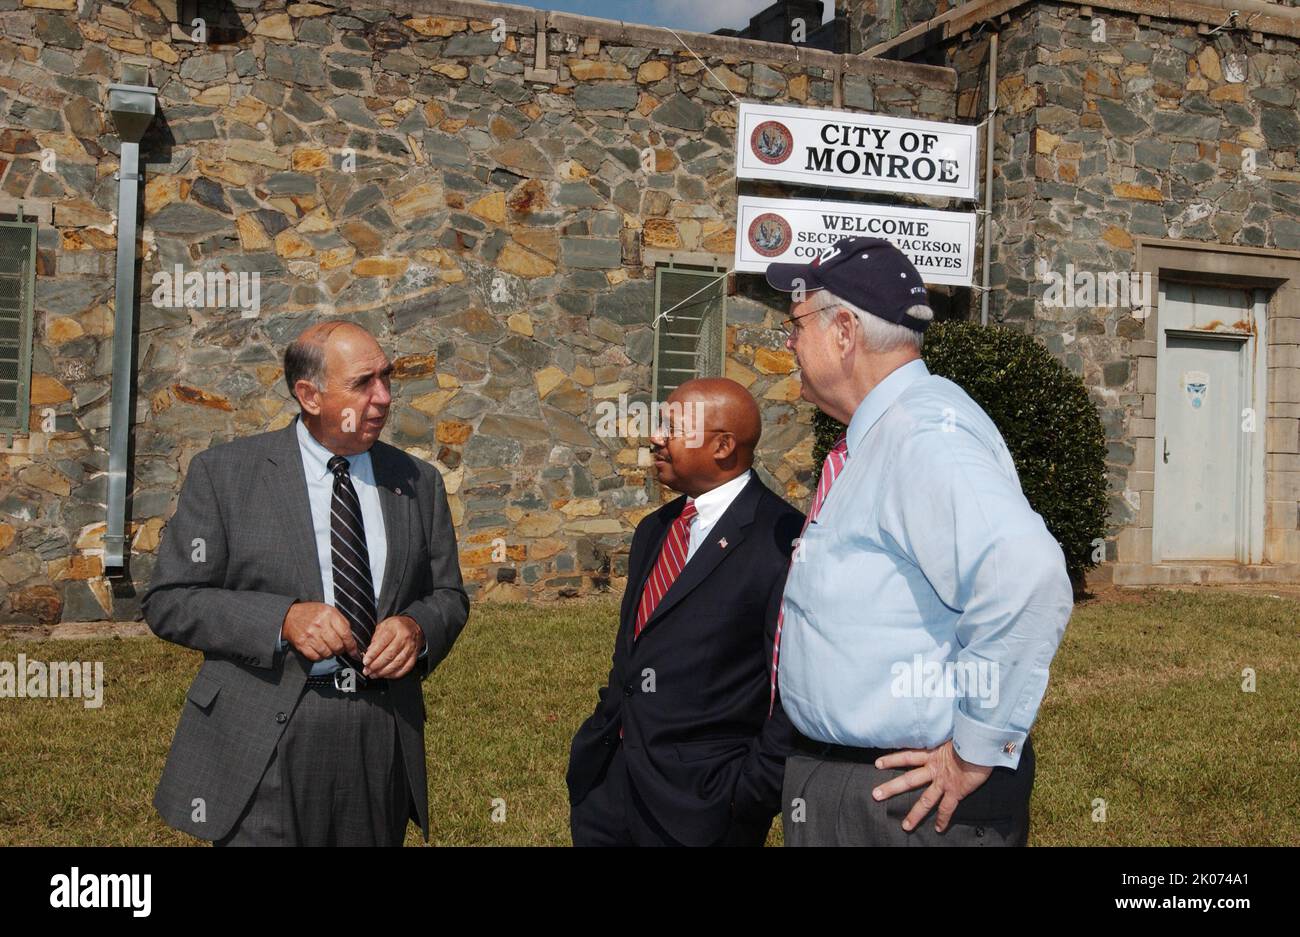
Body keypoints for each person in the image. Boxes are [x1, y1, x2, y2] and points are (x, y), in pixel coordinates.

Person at [764, 237, 1074, 846]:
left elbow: (1026, 576)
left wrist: (974, 752)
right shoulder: (891, 429)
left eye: (795, 324)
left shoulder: (922, 434)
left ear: (845, 332)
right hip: (863, 788)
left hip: (900, 806)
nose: (789, 342)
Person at [143, 321, 469, 846]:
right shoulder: (226, 475)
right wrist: (282, 619)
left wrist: (416, 627)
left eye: (387, 378)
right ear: (309, 395)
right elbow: (170, 600)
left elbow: (448, 596)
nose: (384, 397)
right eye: (364, 383)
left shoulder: (417, 482)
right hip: (266, 736)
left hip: (378, 732)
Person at [567, 378, 804, 846]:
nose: (655, 437)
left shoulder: (783, 541)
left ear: (722, 446)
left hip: (704, 811)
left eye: (672, 427)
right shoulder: (655, 529)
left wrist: (749, 793)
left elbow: (794, 690)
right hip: (609, 795)